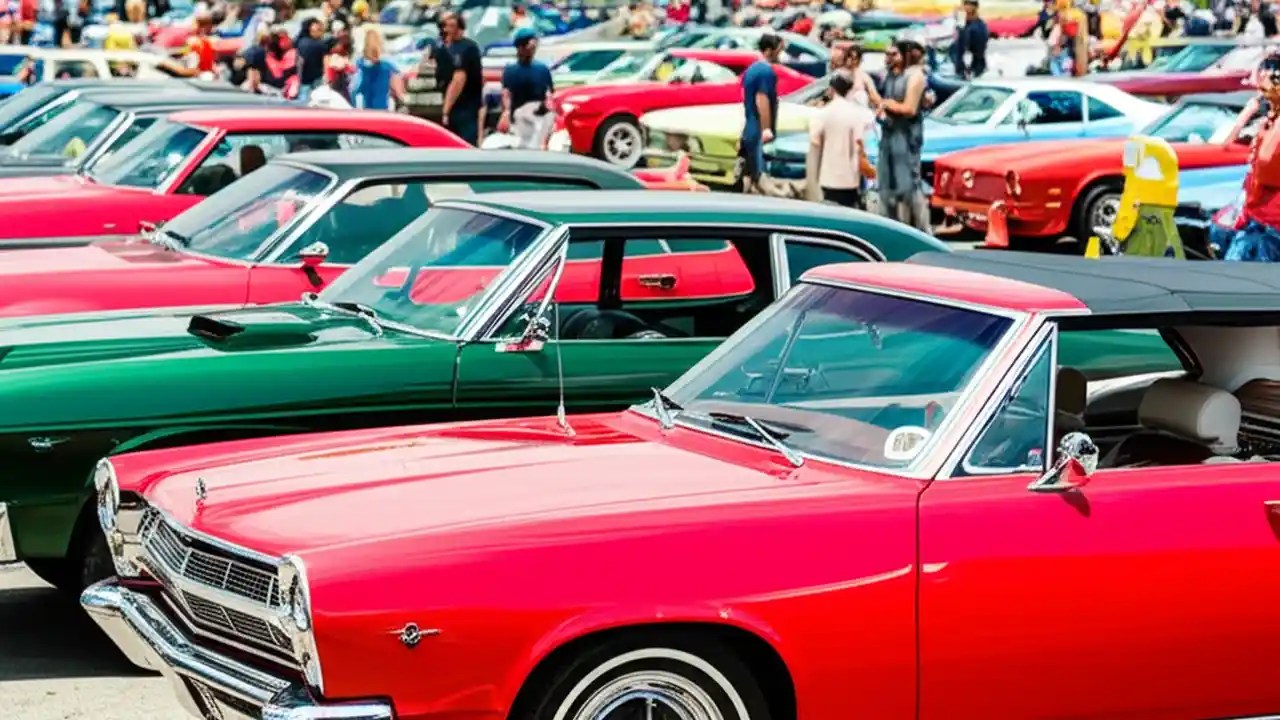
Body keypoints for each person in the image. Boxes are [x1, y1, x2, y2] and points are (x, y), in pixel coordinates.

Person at [1225, 53, 1280, 260]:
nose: (1260, 96)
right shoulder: (1270, 122)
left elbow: (1265, 169)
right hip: (1260, 221)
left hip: (1269, 226)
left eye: (1264, 90)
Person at [875, 38, 930, 233]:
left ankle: (918, 231)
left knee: (908, 186)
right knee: (886, 184)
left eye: (893, 54)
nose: (888, 58)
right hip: (888, 135)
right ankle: (889, 228)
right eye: (887, 54)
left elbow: (909, 108)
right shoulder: (890, 76)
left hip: (906, 138)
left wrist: (888, 104)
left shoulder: (915, 76)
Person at [809, 73, 875, 208]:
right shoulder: (857, 114)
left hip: (828, 179)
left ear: (831, 89)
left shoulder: (822, 114)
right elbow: (859, 145)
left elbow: (815, 144)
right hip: (850, 180)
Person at [739, 32, 783, 194]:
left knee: (749, 176)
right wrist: (766, 129)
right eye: (779, 50)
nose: (780, 54)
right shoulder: (766, 72)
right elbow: (761, 99)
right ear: (769, 50)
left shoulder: (752, 69)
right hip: (758, 130)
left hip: (749, 126)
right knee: (760, 177)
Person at [499, 27, 554, 148]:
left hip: (538, 120)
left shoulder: (542, 69)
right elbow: (506, 94)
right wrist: (506, 114)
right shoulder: (511, 70)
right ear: (520, 47)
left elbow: (548, 95)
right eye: (529, 45)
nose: (532, 48)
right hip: (518, 122)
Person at [440, 11, 483, 144]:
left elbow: (458, 80)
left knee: (463, 143)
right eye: (444, 26)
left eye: (449, 26)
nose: (445, 29)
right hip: (455, 108)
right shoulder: (447, 48)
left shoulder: (468, 48)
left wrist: (446, 109)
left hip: (465, 108)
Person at [352, 26, 403, 110]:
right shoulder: (387, 65)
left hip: (365, 109)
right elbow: (398, 90)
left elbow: (355, 89)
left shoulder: (359, 64)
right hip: (383, 109)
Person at [295, 18, 330, 101]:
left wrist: (298, 77)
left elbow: (299, 62)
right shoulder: (321, 44)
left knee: (303, 102)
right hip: (317, 78)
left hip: (304, 80)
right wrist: (327, 77)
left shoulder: (299, 42)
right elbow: (326, 61)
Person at [951, 0, 988, 78]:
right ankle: (963, 72)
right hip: (966, 63)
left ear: (975, 7)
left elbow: (979, 49)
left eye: (970, 4)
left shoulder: (979, 26)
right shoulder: (962, 20)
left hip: (975, 62)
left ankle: (968, 71)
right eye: (966, 4)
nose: (967, 7)